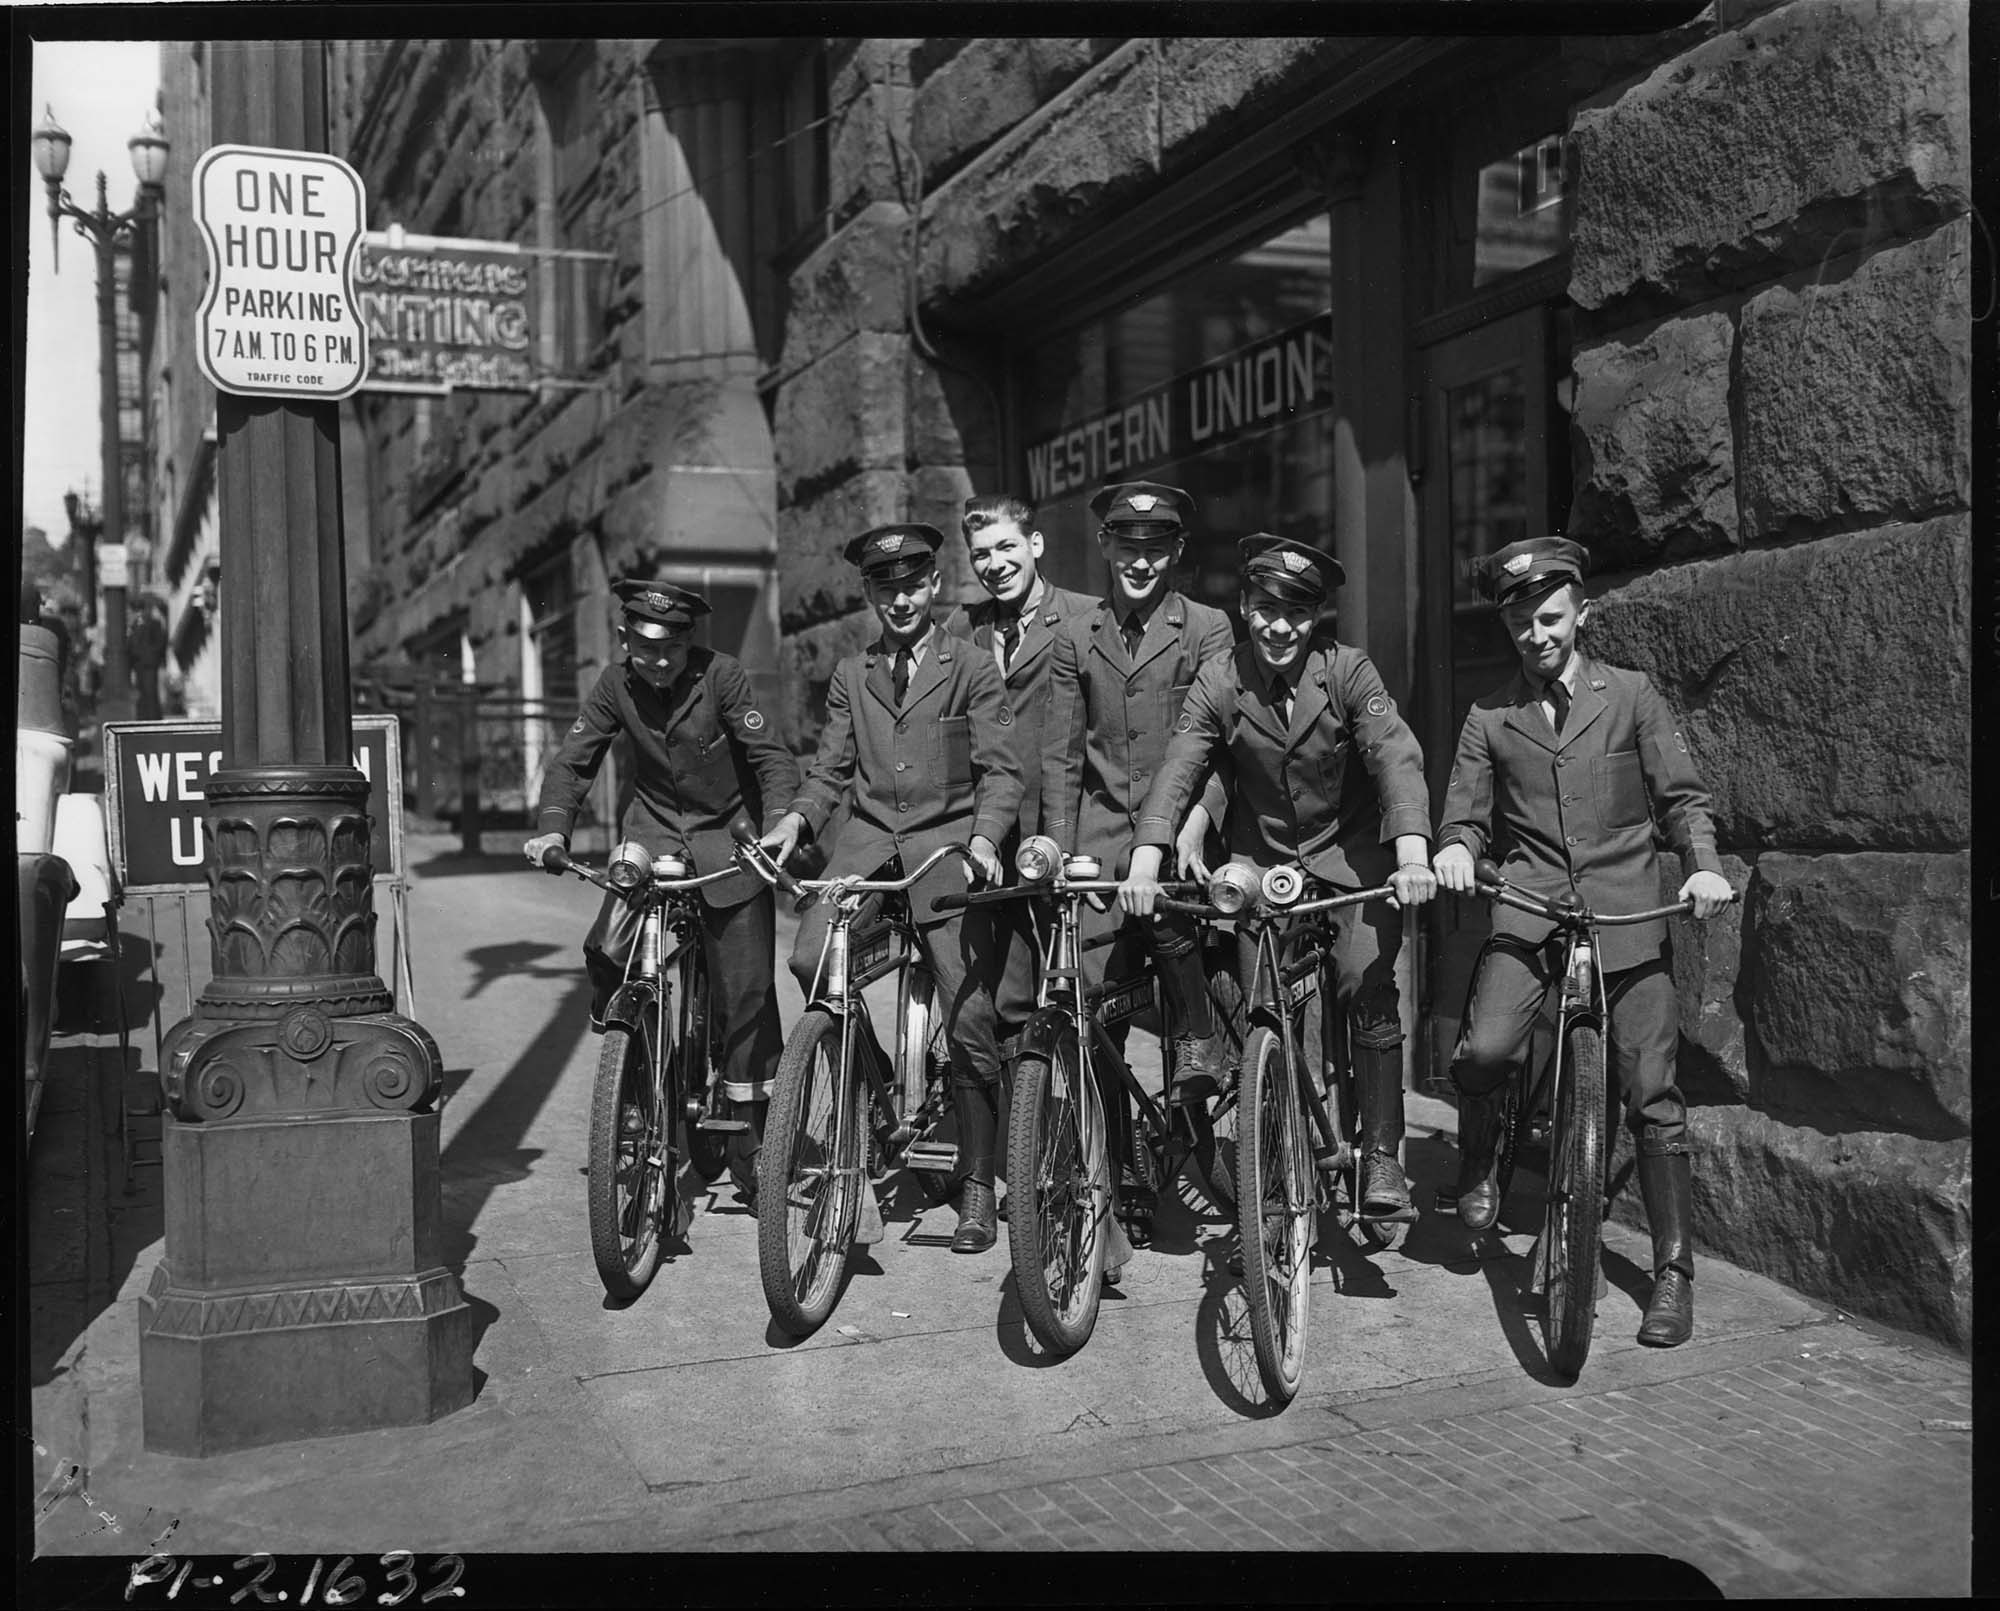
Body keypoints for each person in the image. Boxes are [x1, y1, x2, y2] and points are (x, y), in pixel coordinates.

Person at [1431, 536, 1733, 1348]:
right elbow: (1462, 813)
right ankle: (1484, 1148)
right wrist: (1456, 846)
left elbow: (1683, 800)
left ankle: (1673, 1273)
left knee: (1651, 1088)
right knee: (1486, 1049)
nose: (1538, 635)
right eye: (1522, 622)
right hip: (1531, 910)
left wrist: (1700, 868)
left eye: (1552, 618)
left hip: (1627, 915)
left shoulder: (1631, 696)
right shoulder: (1489, 717)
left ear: (1581, 615)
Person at [1121, 535, 1438, 1219]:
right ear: (1244, 606)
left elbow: (1394, 758)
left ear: (1316, 618)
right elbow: (1183, 764)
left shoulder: (1348, 671)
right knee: (1261, 1000)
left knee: (1363, 979)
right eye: (1265, 608)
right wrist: (1146, 859)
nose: (1278, 626)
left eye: (1295, 613)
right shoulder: (1222, 677)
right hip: (1261, 860)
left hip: (1350, 857)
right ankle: (1270, 1168)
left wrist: (1411, 854)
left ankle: (1381, 1155)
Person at [763, 524, 1024, 1254]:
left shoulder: (972, 665)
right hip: (870, 847)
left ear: (935, 586)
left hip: (945, 850)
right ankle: (879, 1107)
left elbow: (1002, 772)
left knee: (969, 1010)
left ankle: (976, 1183)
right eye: (886, 588)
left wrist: (981, 842)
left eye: (913, 584)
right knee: (814, 961)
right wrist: (794, 822)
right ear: (870, 595)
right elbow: (830, 771)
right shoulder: (852, 675)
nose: (901, 599)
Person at [524, 579, 800, 1199]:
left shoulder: (722, 676)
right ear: (626, 640)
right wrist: (551, 832)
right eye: (645, 649)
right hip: (651, 833)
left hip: (729, 838)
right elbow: (574, 761)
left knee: (747, 989)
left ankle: (751, 1148)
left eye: (671, 650)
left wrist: (782, 820)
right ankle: (632, 1070)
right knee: (608, 946)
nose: (657, 662)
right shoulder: (613, 683)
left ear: (687, 644)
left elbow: (769, 758)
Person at [1040, 481, 1234, 1236]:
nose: (1140, 562)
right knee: (1099, 1021)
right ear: (1106, 547)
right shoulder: (1074, 634)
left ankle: (1207, 1141)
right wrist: (1058, 844)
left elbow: (1223, 745)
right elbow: (1059, 756)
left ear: (1177, 553)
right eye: (1128, 546)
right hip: (1100, 847)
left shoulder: (1208, 629)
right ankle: (1121, 1177)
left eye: (1156, 549)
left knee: (1199, 1009)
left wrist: (1196, 826)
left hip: (1184, 841)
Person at [940, 493, 1097, 1049]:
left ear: (1035, 545)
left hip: (1063, 822)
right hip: (991, 832)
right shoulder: (961, 627)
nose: (995, 564)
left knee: (1082, 986)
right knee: (1006, 988)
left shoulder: (1085, 617)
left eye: (1007, 547)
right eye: (981, 554)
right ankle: (1024, 1124)